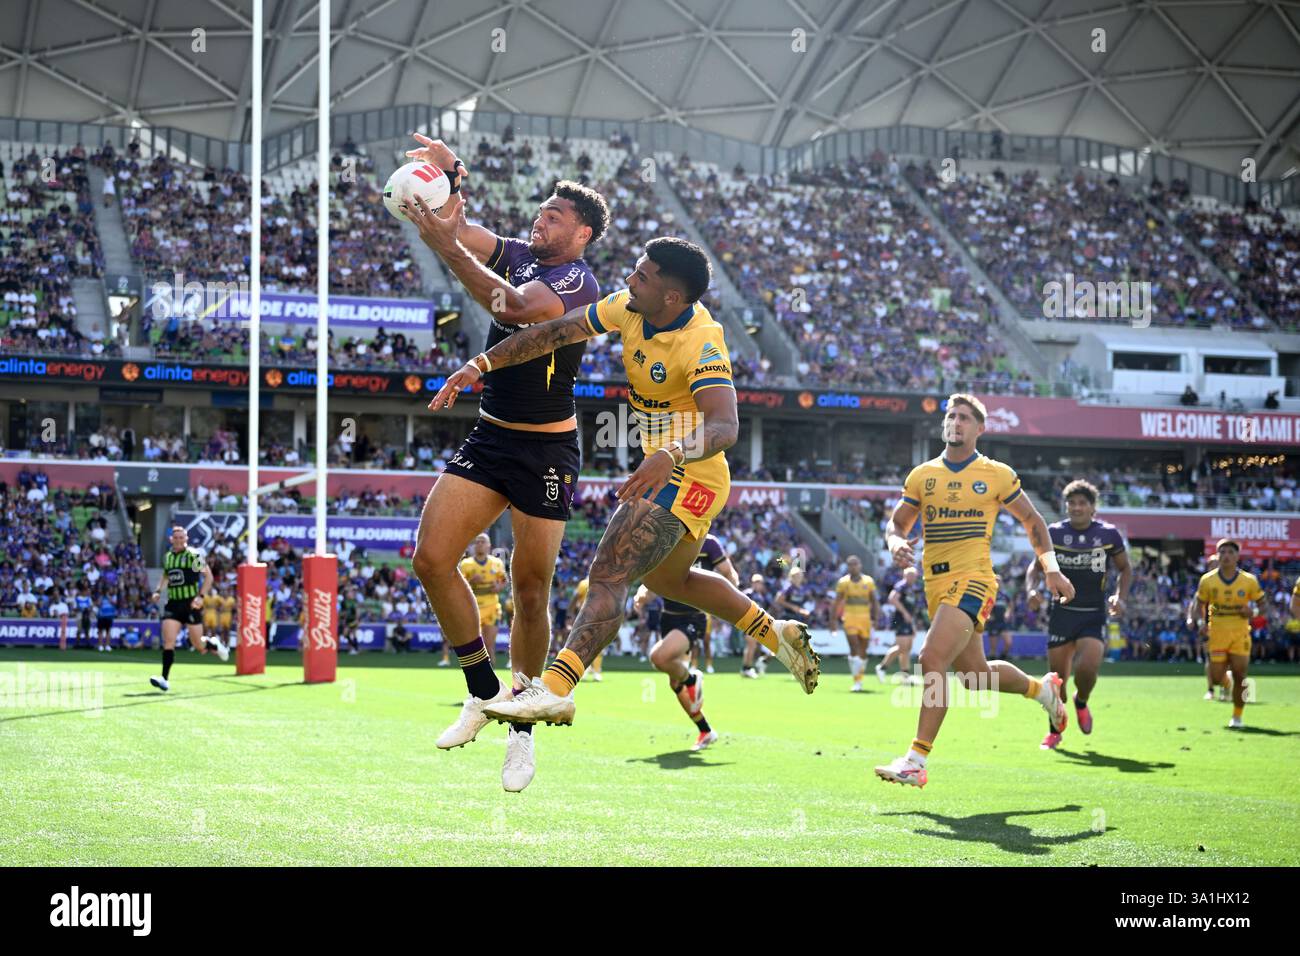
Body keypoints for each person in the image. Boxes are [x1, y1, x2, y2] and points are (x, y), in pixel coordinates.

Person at [428, 238, 821, 735]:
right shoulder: (628, 307)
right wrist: (481, 364)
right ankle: (776, 633)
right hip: (663, 466)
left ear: (672, 298)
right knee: (668, 582)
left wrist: (671, 453)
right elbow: (553, 333)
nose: (630, 281)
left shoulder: (702, 341)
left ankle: (553, 690)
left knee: (609, 573)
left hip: (689, 469)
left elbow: (725, 426)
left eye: (642, 276)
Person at [403, 133, 609, 794]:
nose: (539, 221)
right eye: (542, 213)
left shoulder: (576, 281)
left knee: (529, 587)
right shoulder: (521, 255)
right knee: (431, 559)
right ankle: (481, 691)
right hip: (492, 439)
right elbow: (462, 226)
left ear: (580, 235)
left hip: (547, 449)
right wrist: (451, 175)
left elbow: (512, 309)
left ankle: (521, 731)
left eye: (554, 217)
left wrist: (445, 246)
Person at [874, 394, 1075, 788]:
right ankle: (1043, 690)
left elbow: (1034, 521)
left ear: (979, 428)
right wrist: (895, 543)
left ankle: (916, 760)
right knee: (974, 677)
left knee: (931, 658)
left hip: (975, 579)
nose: (956, 422)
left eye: (964, 417)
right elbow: (897, 524)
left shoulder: (996, 473)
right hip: (936, 583)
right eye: (951, 416)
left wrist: (1051, 568)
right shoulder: (922, 475)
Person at [1026, 479, 1132, 749]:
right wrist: (1032, 591)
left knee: (1088, 667)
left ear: (1092, 507)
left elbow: (1125, 569)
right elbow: (1035, 568)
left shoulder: (1108, 534)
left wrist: (1120, 597)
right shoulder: (1055, 533)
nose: (1076, 507)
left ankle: (1081, 702)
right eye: (1071, 503)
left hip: (1093, 613)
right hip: (1061, 613)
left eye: (1082, 503)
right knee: (1056, 684)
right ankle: (1054, 730)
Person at [1189, 540, 1264, 729]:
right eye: (1222, 552)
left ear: (1237, 556)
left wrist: (1253, 613)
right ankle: (1226, 681)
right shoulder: (1207, 580)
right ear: (1217, 555)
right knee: (1215, 677)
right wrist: (1200, 622)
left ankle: (1237, 717)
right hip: (1217, 634)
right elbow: (1198, 604)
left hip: (1240, 634)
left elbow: (1263, 606)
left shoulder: (1249, 581)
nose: (1226, 555)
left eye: (1230, 552)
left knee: (1241, 675)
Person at [149, 526, 224, 692]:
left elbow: (208, 576)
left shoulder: (193, 555)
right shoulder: (168, 557)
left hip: (191, 604)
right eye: (175, 537)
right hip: (173, 604)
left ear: (186, 539)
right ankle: (164, 679)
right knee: (169, 641)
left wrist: (201, 596)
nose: (178, 540)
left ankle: (212, 644)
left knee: (199, 646)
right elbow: (166, 575)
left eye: (181, 537)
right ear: (171, 540)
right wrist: (158, 590)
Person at [457, 534, 507, 665]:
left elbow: (503, 580)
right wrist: (471, 581)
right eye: (477, 542)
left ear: (489, 545)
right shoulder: (466, 564)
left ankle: (493, 680)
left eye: (482, 542)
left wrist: (498, 586)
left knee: (489, 646)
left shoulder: (496, 563)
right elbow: (459, 585)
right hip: (473, 608)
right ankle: (477, 677)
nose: (479, 544)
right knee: (475, 648)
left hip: (492, 607)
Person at [832, 555, 879, 692]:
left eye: (855, 564)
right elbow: (837, 602)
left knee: (863, 650)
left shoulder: (868, 581)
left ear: (860, 565)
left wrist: (875, 619)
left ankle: (860, 678)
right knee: (854, 646)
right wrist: (833, 620)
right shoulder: (843, 582)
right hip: (850, 618)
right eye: (850, 564)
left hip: (865, 619)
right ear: (848, 566)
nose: (853, 566)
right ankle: (856, 681)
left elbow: (874, 601)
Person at [877, 566, 920, 684]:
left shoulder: (913, 589)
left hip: (908, 621)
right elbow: (892, 598)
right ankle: (882, 667)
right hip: (900, 620)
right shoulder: (901, 586)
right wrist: (905, 613)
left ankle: (905, 676)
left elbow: (912, 608)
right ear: (905, 576)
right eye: (910, 575)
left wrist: (913, 624)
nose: (912, 578)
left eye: (914, 576)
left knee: (907, 649)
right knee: (902, 647)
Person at [739, 573, 770, 678]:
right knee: (751, 646)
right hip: (748, 622)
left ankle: (746, 668)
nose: (758, 584)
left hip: (758, 623)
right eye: (756, 582)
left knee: (751, 647)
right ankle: (747, 668)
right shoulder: (748, 593)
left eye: (759, 582)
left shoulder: (763, 596)